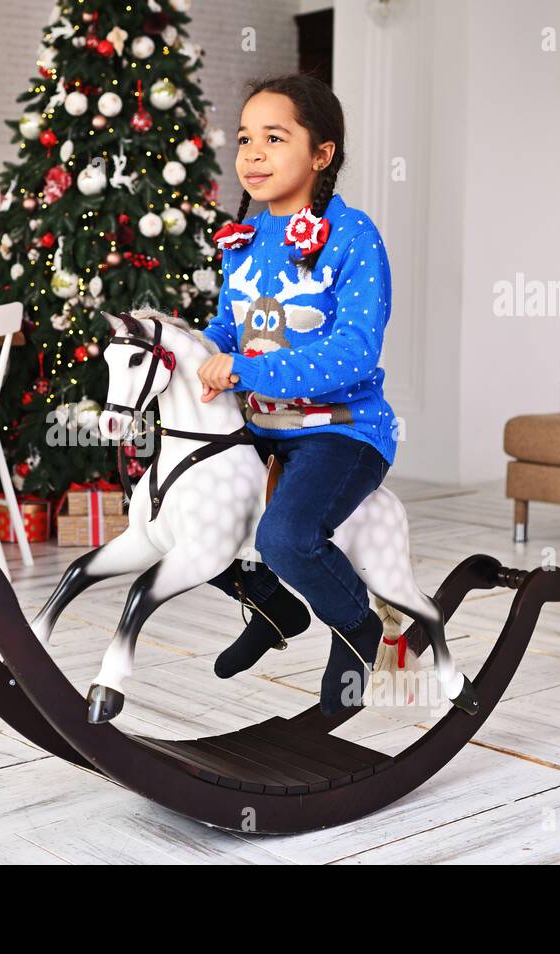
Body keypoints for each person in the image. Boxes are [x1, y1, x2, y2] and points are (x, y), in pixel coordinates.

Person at [198, 72, 398, 715]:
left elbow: (354, 351)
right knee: (186, 514)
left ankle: (359, 628)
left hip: (339, 429)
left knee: (286, 537)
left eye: (274, 138)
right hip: (261, 425)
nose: (252, 154)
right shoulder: (244, 240)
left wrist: (246, 371)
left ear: (322, 153)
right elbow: (228, 327)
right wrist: (193, 354)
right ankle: (275, 607)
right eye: (245, 139)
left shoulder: (353, 235)